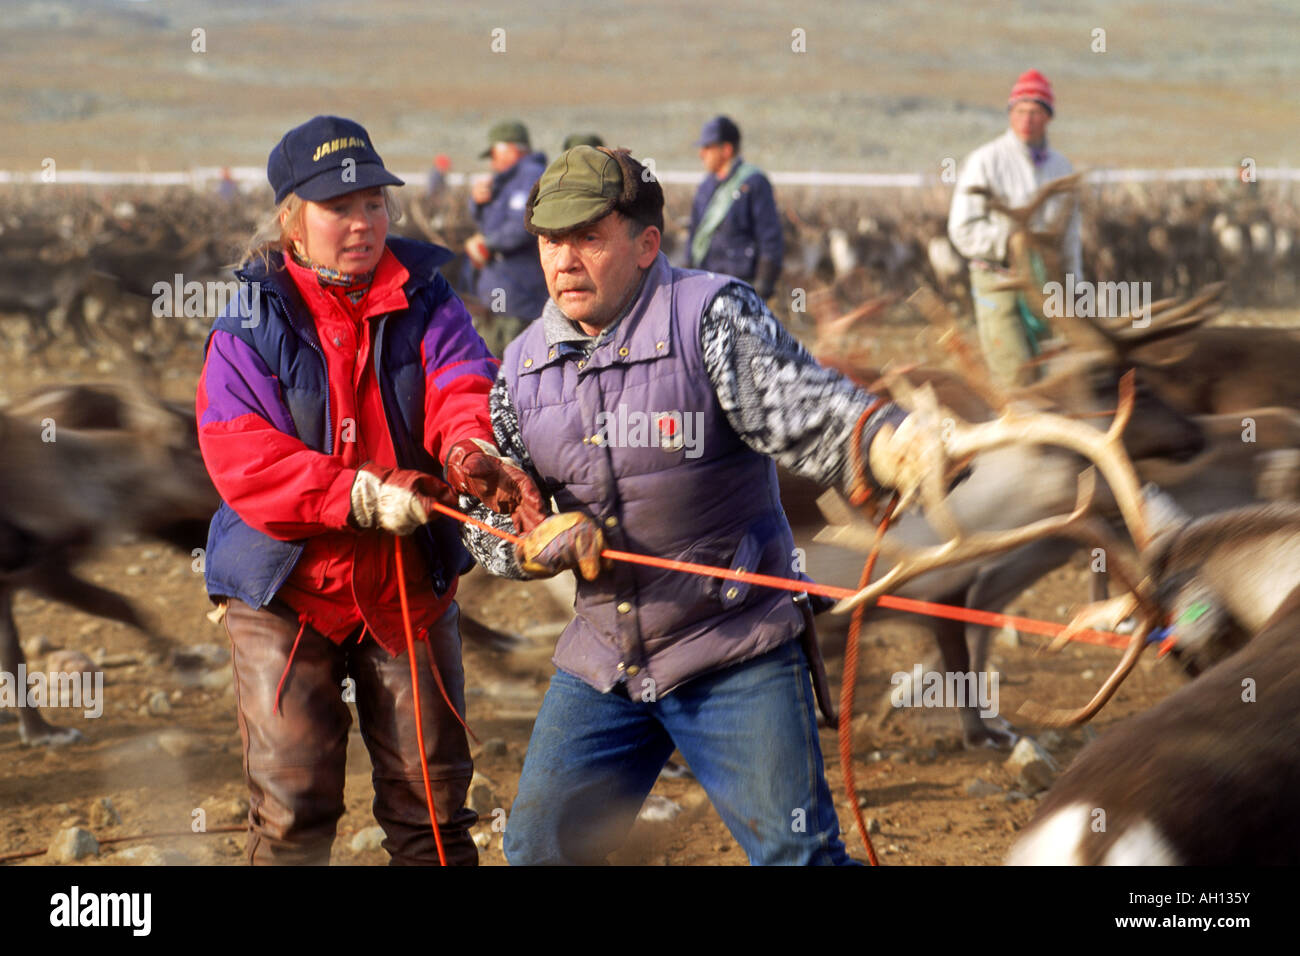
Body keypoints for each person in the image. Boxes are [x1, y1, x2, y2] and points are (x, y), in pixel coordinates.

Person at [460, 145, 957, 865]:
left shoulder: (712, 317)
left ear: (646, 243)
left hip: (733, 645)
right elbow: (494, 517)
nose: (563, 260)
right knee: (539, 850)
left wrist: (885, 441)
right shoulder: (522, 367)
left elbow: (798, 405)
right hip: (606, 660)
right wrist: (527, 543)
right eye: (550, 241)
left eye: (588, 238)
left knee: (798, 855)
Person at [196, 115, 546, 866]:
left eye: (374, 204)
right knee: (293, 810)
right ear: (292, 220)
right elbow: (242, 458)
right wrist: (356, 496)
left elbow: (460, 381)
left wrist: (469, 449)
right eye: (339, 208)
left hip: (402, 579)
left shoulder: (427, 296)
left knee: (434, 808)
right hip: (285, 588)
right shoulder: (248, 324)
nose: (363, 223)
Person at [948, 69, 1082, 387]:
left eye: (1035, 112)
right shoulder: (985, 161)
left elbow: (1070, 239)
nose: (1027, 119)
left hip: (1046, 285)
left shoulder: (1062, 169)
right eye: (1020, 111)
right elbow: (961, 228)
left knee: (1050, 375)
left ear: (1048, 117)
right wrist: (1008, 242)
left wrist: (1075, 288)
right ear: (1010, 113)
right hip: (998, 281)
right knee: (1016, 377)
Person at [464, 119, 549, 356]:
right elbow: (490, 220)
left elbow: (523, 225)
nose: (491, 162)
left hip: (519, 296)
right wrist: (477, 203)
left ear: (511, 149)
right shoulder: (505, 180)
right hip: (499, 295)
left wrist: (486, 244)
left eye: (494, 153)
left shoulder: (531, 176)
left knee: (510, 364)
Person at [687, 115, 784, 300]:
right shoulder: (705, 188)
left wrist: (763, 285)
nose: (701, 154)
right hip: (706, 285)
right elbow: (695, 236)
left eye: (708, 147)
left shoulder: (754, 183)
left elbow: (770, 238)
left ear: (726, 149)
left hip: (742, 285)